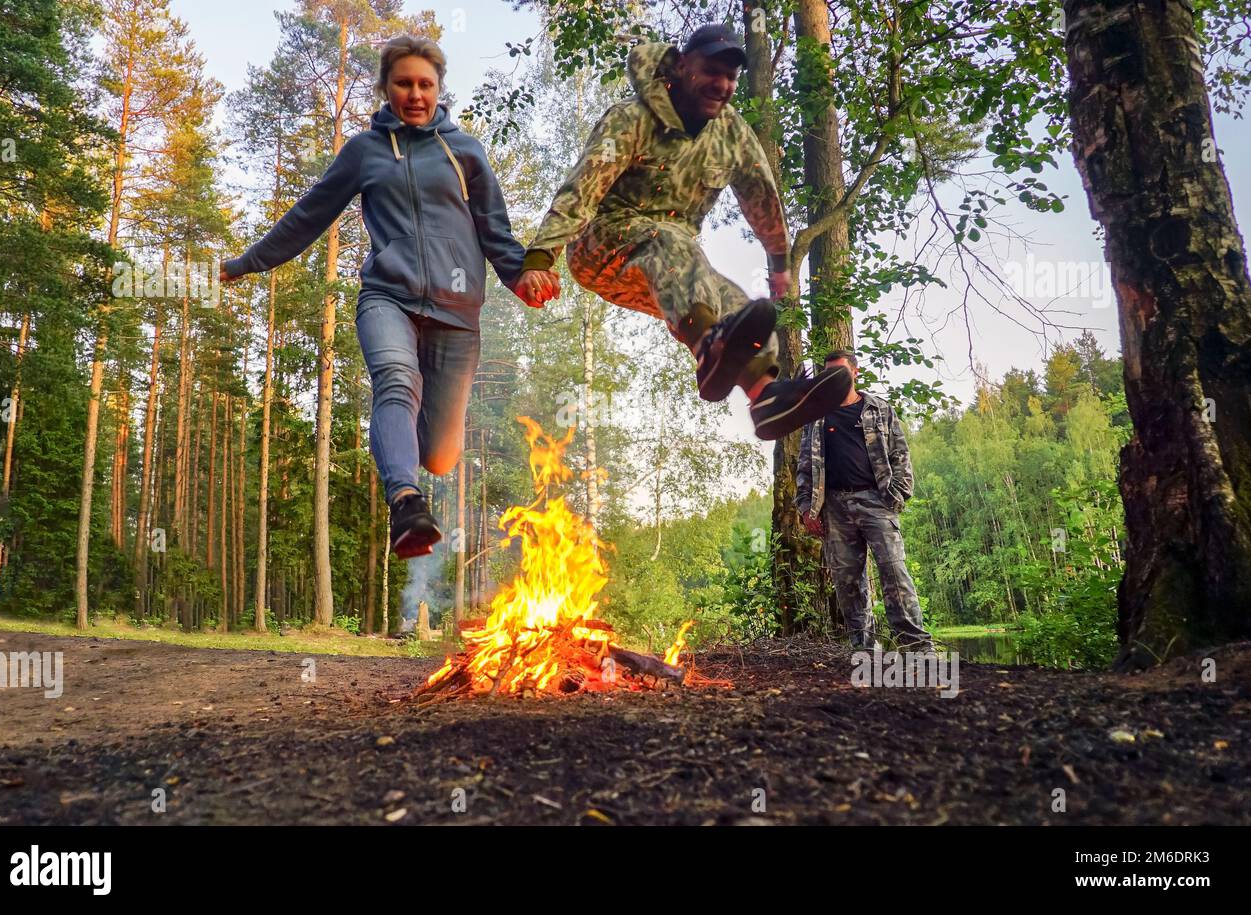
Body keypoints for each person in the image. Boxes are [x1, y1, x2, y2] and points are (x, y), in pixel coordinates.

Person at [220, 36, 558, 559]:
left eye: (425, 84)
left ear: (439, 89)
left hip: (456, 313)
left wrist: (521, 278)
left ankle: (413, 461)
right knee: (395, 382)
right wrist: (246, 263)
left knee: (442, 456)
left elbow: (495, 229)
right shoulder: (365, 152)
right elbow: (309, 216)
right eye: (404, 83)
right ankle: (405, 501)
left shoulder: (465, 151)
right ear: (385, 88)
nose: (415, 94)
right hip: (387, 298)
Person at [511, 22, 849, 440]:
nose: (721, 85)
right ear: (683, 65)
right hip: (602, 245)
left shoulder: (731, 133)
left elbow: (761, 194)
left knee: (734, 301)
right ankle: (709, 348)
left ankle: (765, 398)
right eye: (711, 72)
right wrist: (541, 259)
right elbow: (583, 186)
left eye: (730, 78)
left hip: (669, 267)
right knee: (670, 243)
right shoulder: (631, 119)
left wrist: (780, 264)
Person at [795, 350, 934, 651]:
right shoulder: (816, 417)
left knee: (894, 572)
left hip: (876, 501)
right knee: (848, 583)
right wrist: (807, 508)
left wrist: (897, 495)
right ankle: (864, 649)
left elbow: (901, 456)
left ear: (855, 373)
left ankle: (916, 646)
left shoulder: (878, 409)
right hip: (834, 506)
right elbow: (805, 464)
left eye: (841, 372)